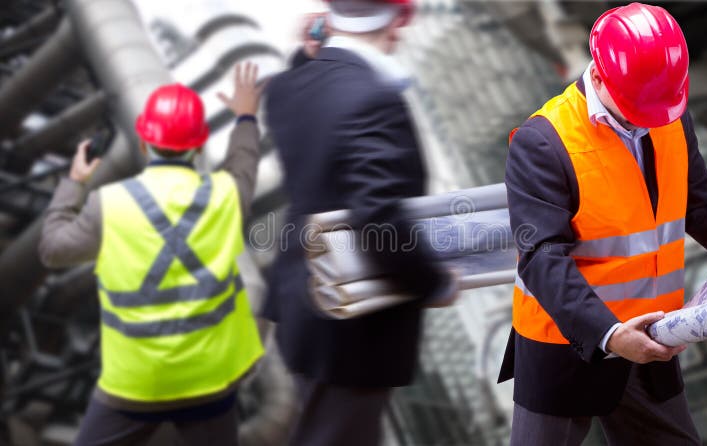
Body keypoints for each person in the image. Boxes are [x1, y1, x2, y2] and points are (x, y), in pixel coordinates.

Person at [499, 3, 707, 445]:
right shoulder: (542, 142)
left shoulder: (665, 112)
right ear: (598, 76)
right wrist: (610, 334)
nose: (652, 118)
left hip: (653, 340)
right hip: (568, 347)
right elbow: (541, 257)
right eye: (640, 106)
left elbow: (702, 207)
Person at [38, 63, 265, 446]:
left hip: (135, 384)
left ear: (144, 143)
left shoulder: (107, 205)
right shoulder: (228, 196)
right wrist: (246, 116)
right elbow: (244, 160)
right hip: (209, 379)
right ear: (198, 146)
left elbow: (52, 251)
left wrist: (74, 184)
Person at [262, 1, 456, 444]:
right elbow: (378, 217)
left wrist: (310, 48)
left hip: (303, 305)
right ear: (401, 19)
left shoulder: (287, 87)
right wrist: (433, 282)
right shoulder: (373, 97)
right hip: (349, 323)